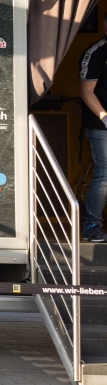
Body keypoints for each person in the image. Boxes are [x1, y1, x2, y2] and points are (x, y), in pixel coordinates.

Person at [80, 36, 107, 242]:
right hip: (101, 124)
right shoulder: (96, 52)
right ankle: (92, 224)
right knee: (105, 173)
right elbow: (86, 90)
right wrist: (104, 117)